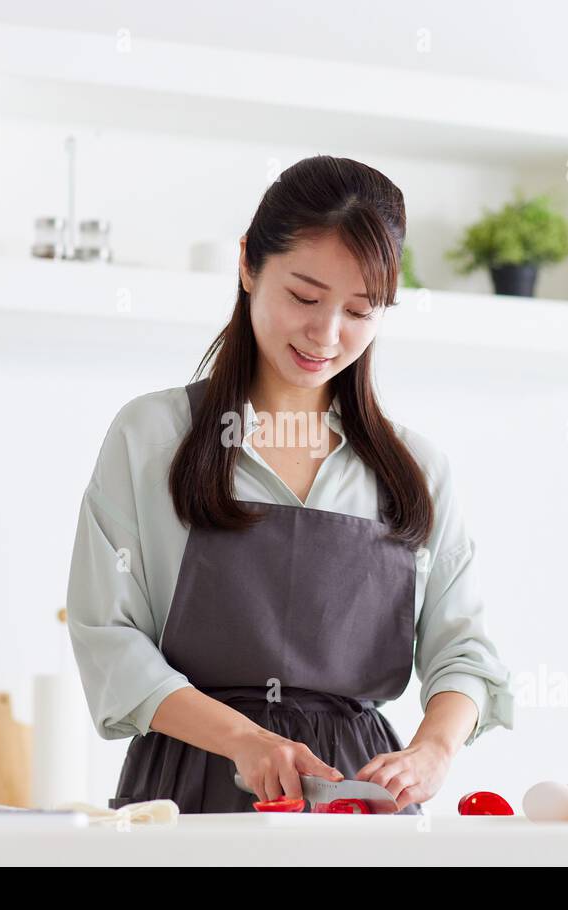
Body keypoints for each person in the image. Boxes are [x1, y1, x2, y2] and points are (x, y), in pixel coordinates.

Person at [66, 155, 513, 814]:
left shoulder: (415, 470)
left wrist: (433, 750)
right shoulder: (151, 437)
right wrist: (245, 740)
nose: (326, 335)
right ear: (248, 263)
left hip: (356, 800)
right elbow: (108, 636)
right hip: (192, 789)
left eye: (360, 310)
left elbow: (465, 651)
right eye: (304, 296)